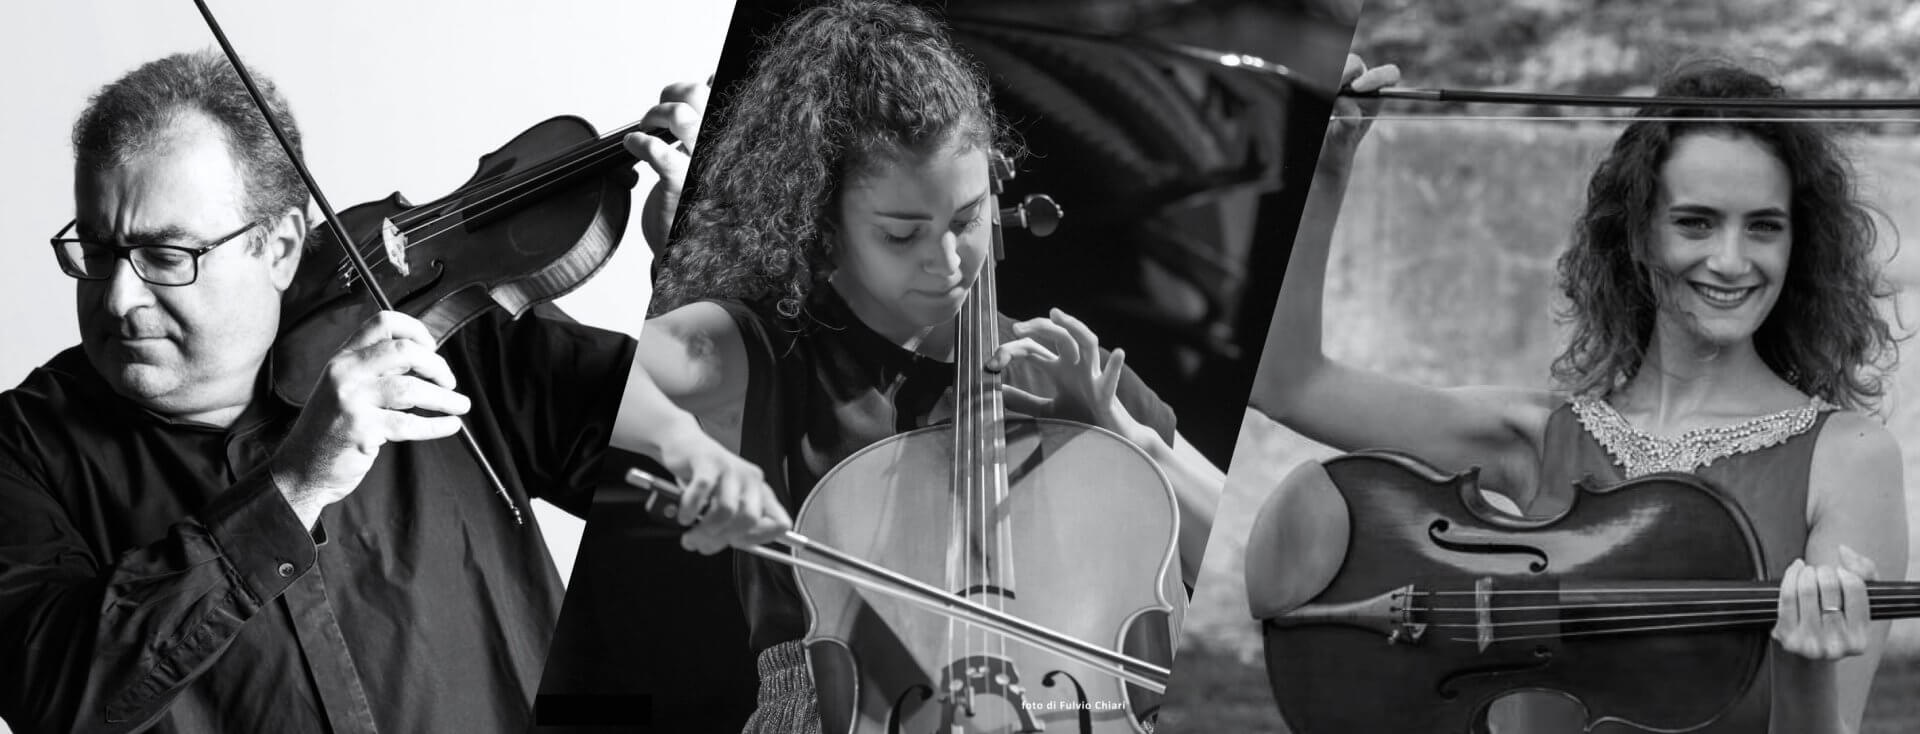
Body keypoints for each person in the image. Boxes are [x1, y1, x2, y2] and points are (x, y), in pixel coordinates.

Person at [0, 50, 780, 733]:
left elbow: (703, 494)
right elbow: (56, 700)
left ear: (279, 246)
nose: (118, 299)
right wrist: (291, 487)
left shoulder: (443, 330)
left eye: (167, 255)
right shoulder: (22, 448)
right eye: (97, 251)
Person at [1252, 54, 1908, 733]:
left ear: (1797, 243)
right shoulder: (1538, 437)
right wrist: (1323, 171)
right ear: (1638, 232)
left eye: (1764, 226)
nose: (1733, 260)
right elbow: (1286, 381)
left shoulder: (1849, 458)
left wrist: (1806, 671)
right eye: (1696, 222)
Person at [622, 1, 1225, 730]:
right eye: (902, 233)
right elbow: (627, 372)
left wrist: (1128, 439)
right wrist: (685, 446)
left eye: (967, 220)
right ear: (821, 215)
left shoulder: (1055, 365)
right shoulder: (773, 355)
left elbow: (1241, 566)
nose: (947, 265)